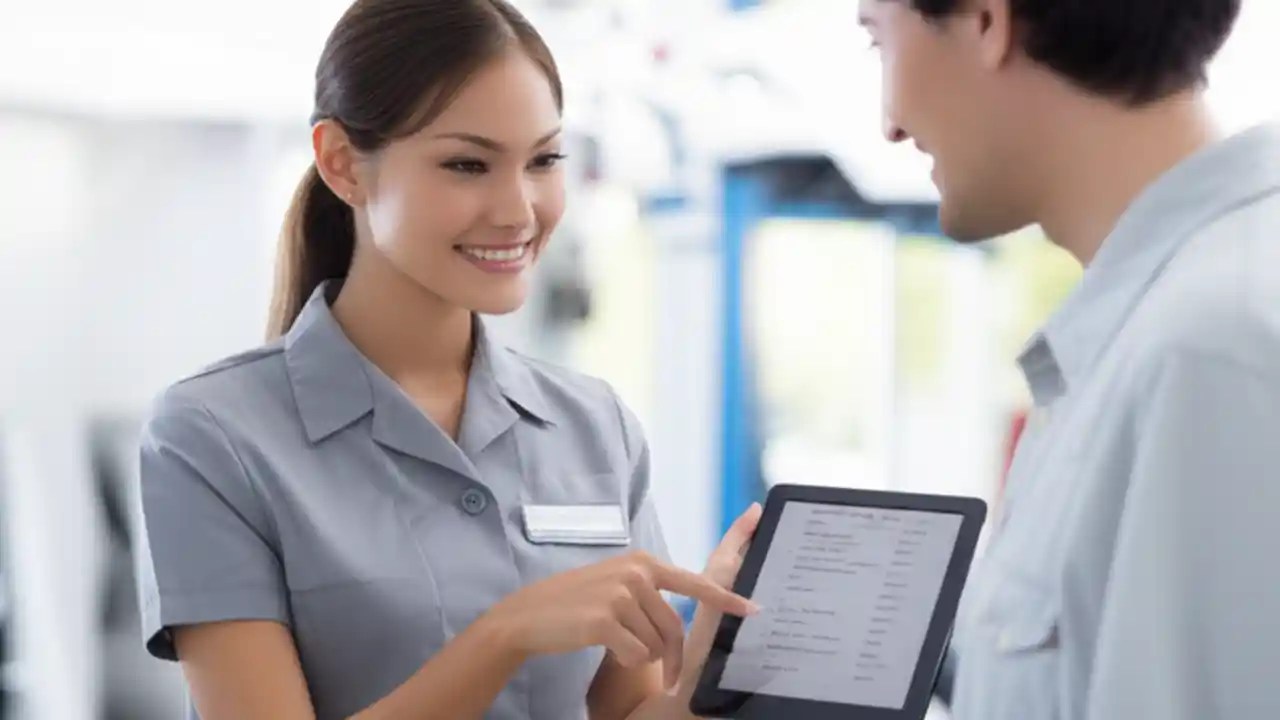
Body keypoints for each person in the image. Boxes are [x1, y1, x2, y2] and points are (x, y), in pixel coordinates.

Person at [130, 2, 763, 719]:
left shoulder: (597, 426)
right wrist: (504, 635)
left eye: (544, 160)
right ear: (342, 164)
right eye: (468, 164)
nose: (519, 209)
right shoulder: (212, 437)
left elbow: (627, 712)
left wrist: (710, 672)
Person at [858, 0, 1279, 718]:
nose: (890, 121)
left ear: (988, 23)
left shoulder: (1213, 350)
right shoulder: (1148, 337)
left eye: (879, 41)